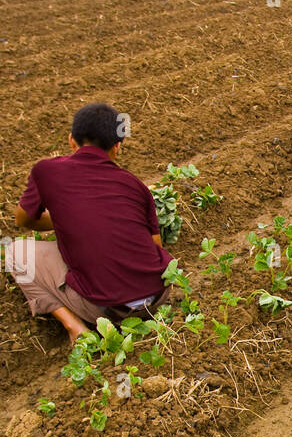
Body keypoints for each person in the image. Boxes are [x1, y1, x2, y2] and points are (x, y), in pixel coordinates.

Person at [10, 103, 172, 345]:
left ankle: (74, 327)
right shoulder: (135, 185)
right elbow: (156, 246)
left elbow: (23, 220)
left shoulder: (47, 172)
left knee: (14, 251)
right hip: (159, 299)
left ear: (71, 141)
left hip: (106, 311)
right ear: (117, 147)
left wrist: (65, 218)